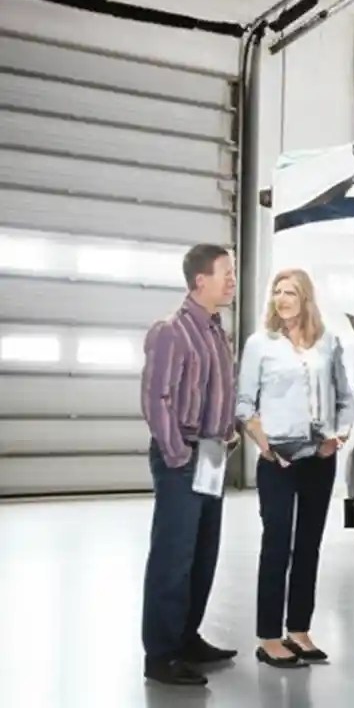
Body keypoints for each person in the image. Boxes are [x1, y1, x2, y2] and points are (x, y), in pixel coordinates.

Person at [235, 268, 354, 669]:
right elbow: (244, 405)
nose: (282, 299)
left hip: (319, 458)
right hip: (279, 460)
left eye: (291, 292)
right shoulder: (260, 344)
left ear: (306, 299)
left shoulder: (328, 342)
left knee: (309, 545)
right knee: (277, 544)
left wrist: (338, 437)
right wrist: (265, 446)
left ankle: (298, 631)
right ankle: (269, 636)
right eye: (277, 292)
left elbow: (345, 397)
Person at [140, 243, 240, 686]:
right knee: (173, 556)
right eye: (226, 273)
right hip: (183, 456)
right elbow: (155, 399)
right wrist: (180, 454)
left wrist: (228, 434)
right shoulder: (171, 331)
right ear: (201, 280)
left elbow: (220, 389)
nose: (232, 280)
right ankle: (160, 656)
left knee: (203, 552)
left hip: (213, 454)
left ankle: (186, 637)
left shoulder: (217, 331)